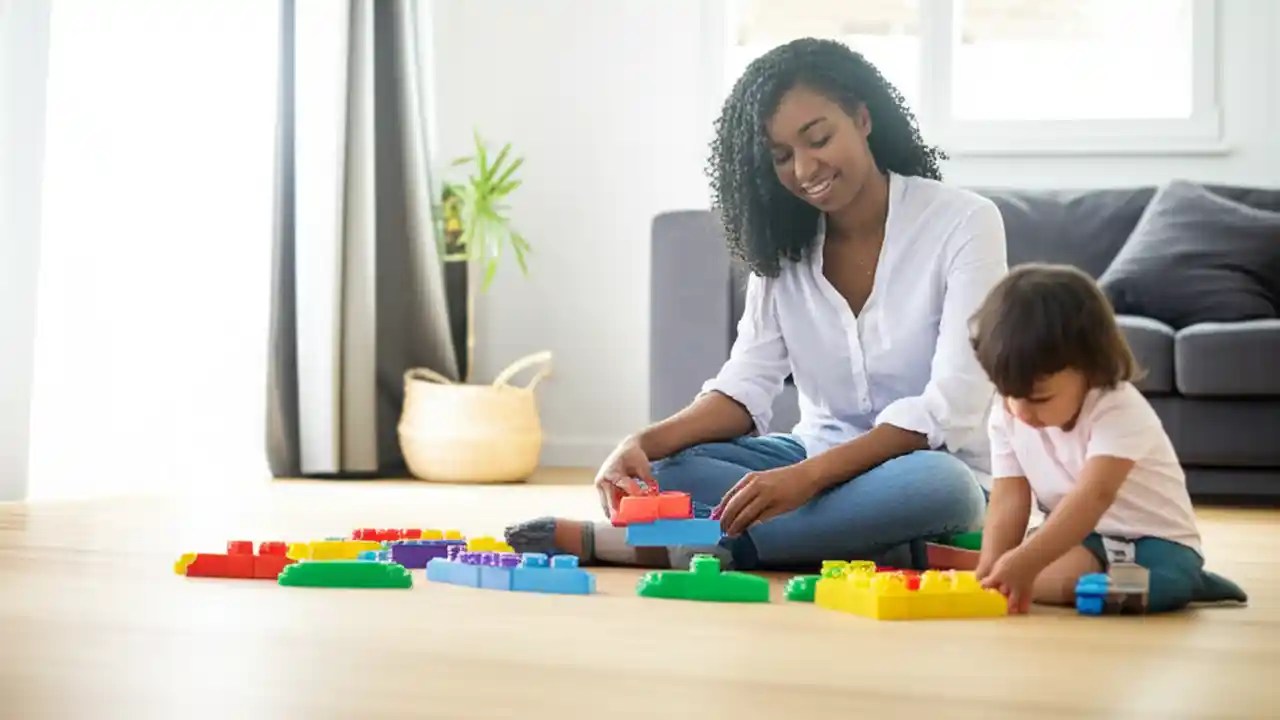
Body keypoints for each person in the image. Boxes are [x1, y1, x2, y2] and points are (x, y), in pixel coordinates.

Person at [505, 37, 1007, 570]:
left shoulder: (964, 222)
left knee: (943, 488)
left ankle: (669, 545)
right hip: (805, 460)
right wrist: (641, 443)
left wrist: (808, 480)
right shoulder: (784, 246)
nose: (806, 168)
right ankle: (874, 543)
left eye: (818, 139)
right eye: (782, 157)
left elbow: (954, 402)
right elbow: (744, 389)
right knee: (671, 471)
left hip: (922, 465)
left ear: (863, 118)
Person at [970, 263, 1247, 613]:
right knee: (1046, 582)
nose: (1020, 411)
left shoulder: (1118, 407)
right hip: (1087, 540)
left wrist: (1023, 562)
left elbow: (1094, 495)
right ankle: (1104, 584)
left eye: (1039, 399)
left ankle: (1187, 581)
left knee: (1133, 586)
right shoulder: (1007, 411)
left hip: (1156, 544)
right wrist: (994, 565)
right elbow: (1009, 496)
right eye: (1007, 392)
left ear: (1090, 368)